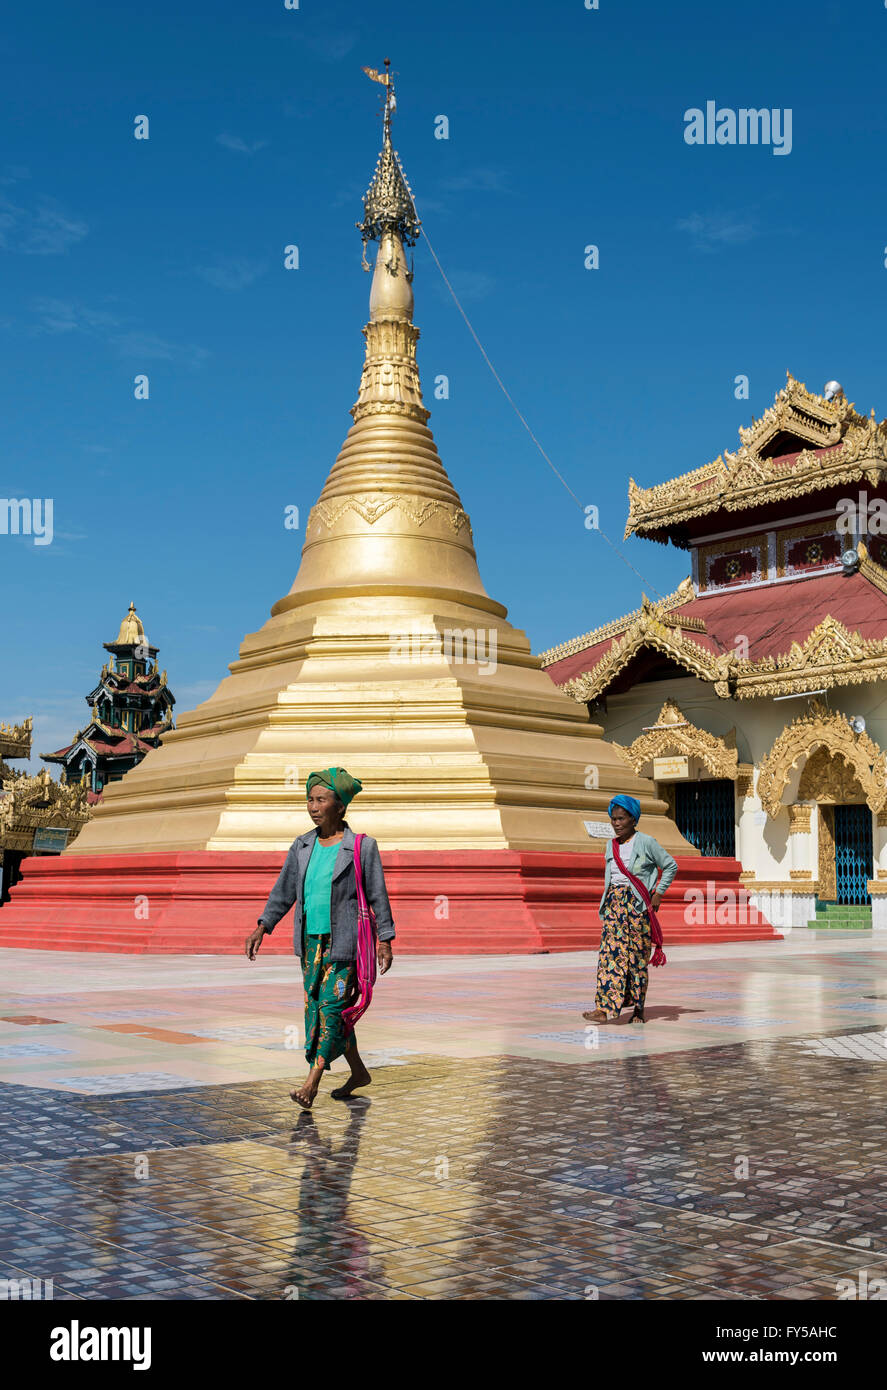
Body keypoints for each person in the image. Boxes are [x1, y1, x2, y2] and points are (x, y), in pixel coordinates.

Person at [245, 767, 394, 1108]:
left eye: (321, 800)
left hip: (346, 944)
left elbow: (377, 895)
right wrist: (263, 926)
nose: (313, 806)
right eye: (310, 799)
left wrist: (384, 939)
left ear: (340, 806)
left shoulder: (361, 847)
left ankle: (311, 1083)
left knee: (329, 1008)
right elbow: (283, 892)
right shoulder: (302, 846)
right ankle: (358, 1071)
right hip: (310, 945)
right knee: (323, 1010)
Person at [583, 794, 676, 1025]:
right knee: (609, 957)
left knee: (635, 959)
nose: (616, 824)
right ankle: (603, 1008)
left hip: (636, 906)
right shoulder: (610, 845)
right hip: (614, 905)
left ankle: (638, 1009)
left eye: (621, 819)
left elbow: (670, 865)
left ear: (633, 820)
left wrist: (658, 892)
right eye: (613, 819)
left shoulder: (646, 842)